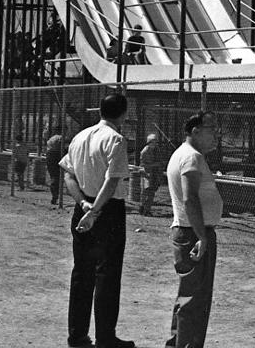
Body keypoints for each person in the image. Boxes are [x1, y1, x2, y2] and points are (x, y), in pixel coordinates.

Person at [59, 92, 135, 348]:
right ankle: (105, 336)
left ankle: (77, 336)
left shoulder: (80, 137)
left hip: (83, 207)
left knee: (82, 273)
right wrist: (96, 212)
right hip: (107, 210)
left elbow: (68, 175)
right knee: (108, 273)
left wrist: (83, 205)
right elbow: (112, 180)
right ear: (123, 114)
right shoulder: (116, 140)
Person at [166, 111, 223, 348]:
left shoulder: (188, 155)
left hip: (191, 231)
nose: (216, 136)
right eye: (211, 130)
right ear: (195, 131)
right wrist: (202, 237)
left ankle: (178, 343)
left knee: (190, 298)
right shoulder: (191, 157)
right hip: (193, 233)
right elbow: (190, 199)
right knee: (194, 301)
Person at [139, 133, 170, 216]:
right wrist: (156, 164)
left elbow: (159, 160)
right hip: (147, 173)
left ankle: (145, 209)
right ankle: (145, 209)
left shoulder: (157, 150)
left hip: (155, 173)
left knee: (151, 192)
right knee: (147, 192)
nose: (155, 144)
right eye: (153, 142)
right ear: (149, 142)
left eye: (156, 142)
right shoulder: (145, 151)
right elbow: (143, 165)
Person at [46, 129, 65, 205]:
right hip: (57, 155)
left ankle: (55, 195)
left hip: (50, 156)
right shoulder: (61, 138)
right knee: (58, 177)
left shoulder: (51, 138)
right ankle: (56, 194)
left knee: (53, 176)